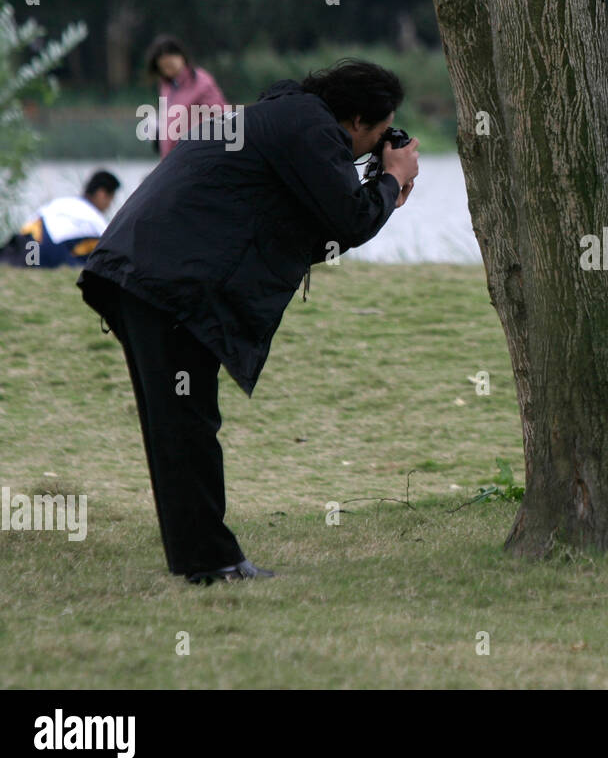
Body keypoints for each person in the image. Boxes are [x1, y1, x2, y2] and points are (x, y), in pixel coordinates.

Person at [76, 59, 420, 585]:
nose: (373, 149)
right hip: (165, 281)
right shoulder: (308, 129)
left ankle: (202, 556)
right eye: (376, 136)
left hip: (140, 271)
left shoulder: (280, 120)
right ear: (354, 121)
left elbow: (308, 234)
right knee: (185, 425)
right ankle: (211, 562)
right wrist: (392, 181)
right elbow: (350, 220)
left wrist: (381, 188)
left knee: (176, 424)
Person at [0, 170, 120, 268]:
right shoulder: (96, 221)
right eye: (111, 199)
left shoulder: (61, 202)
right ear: (102, 194)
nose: (109, 205)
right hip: (46, 254)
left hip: (21, 246)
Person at [144, 34, 228, 159]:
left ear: (182, 57)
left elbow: (224, 118)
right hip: (171, 161)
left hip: (197, 160)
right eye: (163, 68)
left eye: (170, 65)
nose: (167, 71)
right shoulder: (166, 86)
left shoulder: (202, 82)